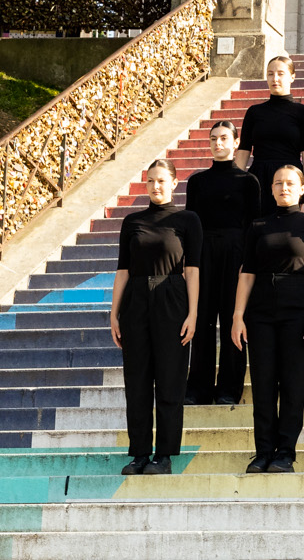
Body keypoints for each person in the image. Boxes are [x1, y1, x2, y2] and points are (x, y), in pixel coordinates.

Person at [231, 165, 304, 473]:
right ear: (270, 189)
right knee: (262, 384)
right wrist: (237, 316)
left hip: (297, 312)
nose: (283, 187)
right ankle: (263, 451)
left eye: (290, 183)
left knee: (292, 383)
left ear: (301, 189)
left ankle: (285, 451)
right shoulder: (258, 225)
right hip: (260, 314)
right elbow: (246, 274)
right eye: (278, 183)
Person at [109, 158, 201, 476]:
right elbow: (122, 269)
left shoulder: (188, 220)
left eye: (161, 180)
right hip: (135, 300)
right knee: (136, 381)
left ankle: (164, 454)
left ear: (174, 183)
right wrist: (114, 314)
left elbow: (193, 269)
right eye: (150, 181)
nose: (155, 186)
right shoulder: (131, 221)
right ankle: (139, 454)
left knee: (170, 378)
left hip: (172, 296)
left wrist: (193, 312)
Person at [183, 122, 261, 406]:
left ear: (235, 141)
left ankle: (229, 387)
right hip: (204, 254)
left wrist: (247, 263)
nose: (218, 143)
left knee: (233, 318)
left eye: (224, 138)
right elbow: (190, 224)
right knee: (202, 319)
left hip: (237, 255)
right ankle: (198, 387)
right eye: (213, 139)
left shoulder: (248, 182)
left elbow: (254, 226)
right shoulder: (197, 181)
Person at [239, 55, 304, 191]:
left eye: (281, 74)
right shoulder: (254, 112)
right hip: (259, 178)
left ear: (292, 77)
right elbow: (244, 150)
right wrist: (235, 182)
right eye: (270, 74)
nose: (275, 79)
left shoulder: (303, 112)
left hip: (290, 178)